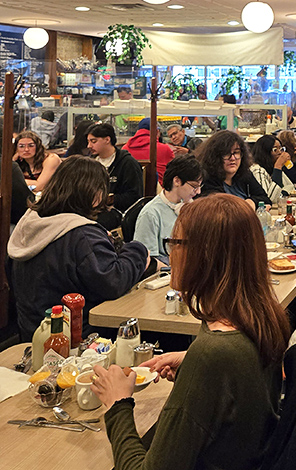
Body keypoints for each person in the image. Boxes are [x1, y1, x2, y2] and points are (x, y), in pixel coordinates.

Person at [91, 194, 289, 470]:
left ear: (205, 255)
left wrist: (118, 404)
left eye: (175, 241)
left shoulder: (214, 354)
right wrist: (189, 357)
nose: (170, 251)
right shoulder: (264, 318)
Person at [8, 156, 151, 340]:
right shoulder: (81, 235)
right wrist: (138, 251)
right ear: (94, 194)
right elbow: (113, 281)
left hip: (33, 332)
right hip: (77, 338)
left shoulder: (29, 223)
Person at [134, 155, 203, 263]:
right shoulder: (151, 214)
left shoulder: (192, 208)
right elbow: (147, 261)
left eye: (200, 187)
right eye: (194, 186)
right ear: (177, 181)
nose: (198, 192)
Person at [87, 122, 144, 228]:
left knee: (92, 225)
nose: (89, 146)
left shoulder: (127, 163)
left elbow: (135, 196)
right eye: (88, 142)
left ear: (107, 140)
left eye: (93, 141)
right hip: (90, 209)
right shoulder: (90, 163)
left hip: (117, 212)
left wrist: (110, 199)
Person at [197, 130, 271, 207]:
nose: (232, 158)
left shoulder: (245, 174)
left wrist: (251, 201)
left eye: (236, 152)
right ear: (215, 156)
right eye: (226, 153)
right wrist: (246, 206)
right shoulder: (207, 180)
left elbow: (265, 199)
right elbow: (221, 208)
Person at [123, 117, 176, 182]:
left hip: (131, 189)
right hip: (157, 190)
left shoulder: (125, 149)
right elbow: (174, 171)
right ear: (157, 131)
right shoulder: (164, 149)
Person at [249, 134, 296, 203]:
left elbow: (291, 187)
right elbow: (269, 199)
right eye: (275, 149)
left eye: (280, 149)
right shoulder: (257, 170)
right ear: (265, 152)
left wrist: (282, 193)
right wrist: (278, 166)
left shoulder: (271, 167)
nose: (280, 152)